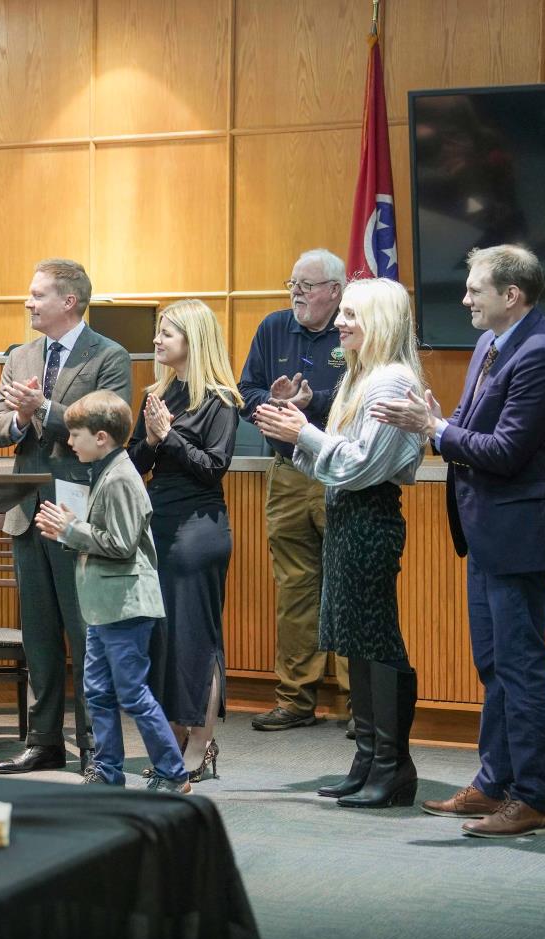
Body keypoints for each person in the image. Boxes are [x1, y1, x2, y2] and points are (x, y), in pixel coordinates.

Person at [374, 245, 545, 836]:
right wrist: (442, 419)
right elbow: (472, 427)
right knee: (493, 665)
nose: (463, 298)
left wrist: (435, 428)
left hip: (521, 535)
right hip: (487, 532)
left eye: (474, 290)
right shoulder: (492, 343)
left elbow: (507, 453)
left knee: (520, 667)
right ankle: (494, 785)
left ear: (510, 295)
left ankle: (532, 799)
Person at [254, 278, 426, 809]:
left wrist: (302, 432)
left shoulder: (391, 382)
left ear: (379, 321)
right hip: (349, 515)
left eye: (351, 315)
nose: (341, 323)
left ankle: (393, 767)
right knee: (355, 640)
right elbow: (340, 461)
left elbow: (359, 467)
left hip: (369, 517)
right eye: (343, 314)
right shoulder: (361, 376)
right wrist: (299, 432)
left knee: (376, 642)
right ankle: (370, 759)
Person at [0, 258, 131, 777]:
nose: (28, 303)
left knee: (87, 635)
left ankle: (99, 747)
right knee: (39, 637)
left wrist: (44, 409)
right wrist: (19, 416)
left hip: (80, 518)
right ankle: (43, 740)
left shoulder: (108, 357)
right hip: (27, 515)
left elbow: (108, 426)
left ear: (68, 301)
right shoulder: (20, 356)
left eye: (37, 295)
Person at [34, 390, 187, 793]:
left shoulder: (120, 477)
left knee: (133, 694)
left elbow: (119, 544)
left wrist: (70, 530)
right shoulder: (109, 470)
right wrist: (70, 529)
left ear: (101, 437)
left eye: (76, 435)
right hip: (103, 607)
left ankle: (174, 771)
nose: (70, 442)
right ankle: (107, 772)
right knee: (97, 692)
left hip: (124, 607)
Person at [239, 248, 352, 733]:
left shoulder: (354, 327)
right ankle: (295, 699)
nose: (298, 293)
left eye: (307, 285)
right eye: (293, 284)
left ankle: (359, 704)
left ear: (335, 288)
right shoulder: (272, 327)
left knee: (347, 585)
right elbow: (247, 391)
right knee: (295, 586)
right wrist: (277, 402)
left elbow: (363, 396)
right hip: (286, 472)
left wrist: (312, 403)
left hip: (341, 469)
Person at [128, 300, 239, 782]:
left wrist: (168, 438)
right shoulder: (157, 394)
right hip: (159, 525)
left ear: (194, 339)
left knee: (197, 638)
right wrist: (152, 442)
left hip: (199, 530)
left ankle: (200, 743)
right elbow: (132, 464)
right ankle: (172, 737)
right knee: (165, 639)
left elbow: (215, 467)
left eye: (166, 333)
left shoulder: (221, 399)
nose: (156, 341)